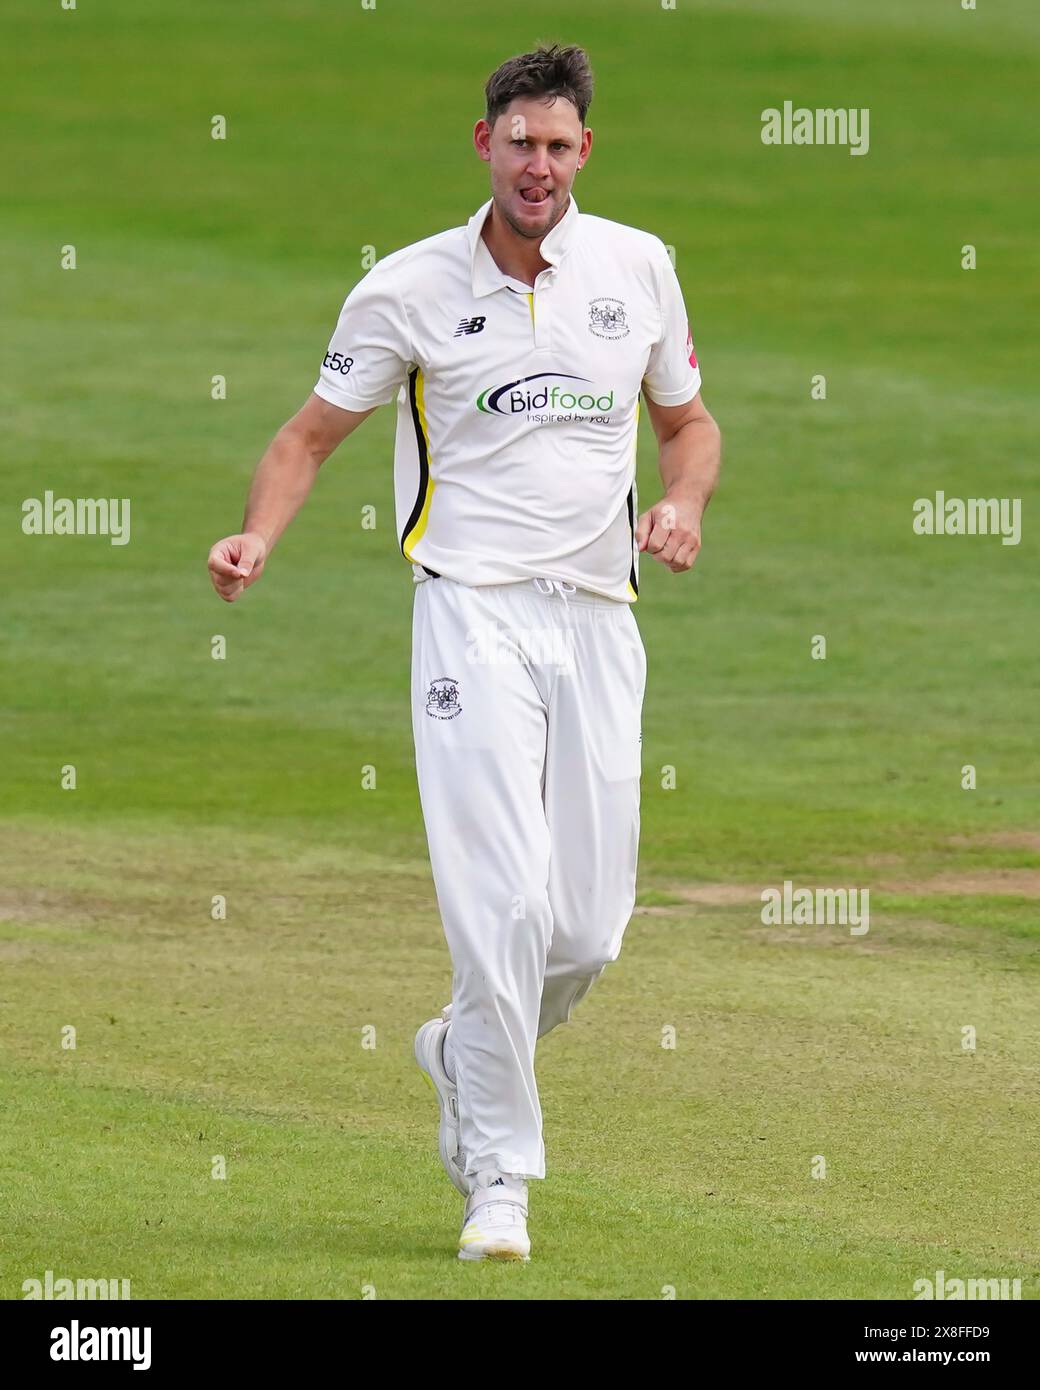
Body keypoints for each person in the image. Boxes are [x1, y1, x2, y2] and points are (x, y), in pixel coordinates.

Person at [207, 42, 721, 1263]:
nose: (535, 165)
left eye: (556, 145)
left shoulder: (635, 267)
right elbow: (308, 435)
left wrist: (683, 504)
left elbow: (686, 424)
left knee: (585, 930)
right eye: (516, 142)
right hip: (471, 611)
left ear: (581, 152)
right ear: (482, 144)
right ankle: (499, 1177)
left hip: (599, 612)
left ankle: (459, 1049)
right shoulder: (407, 288)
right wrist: (254, 533)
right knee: (500, 903)